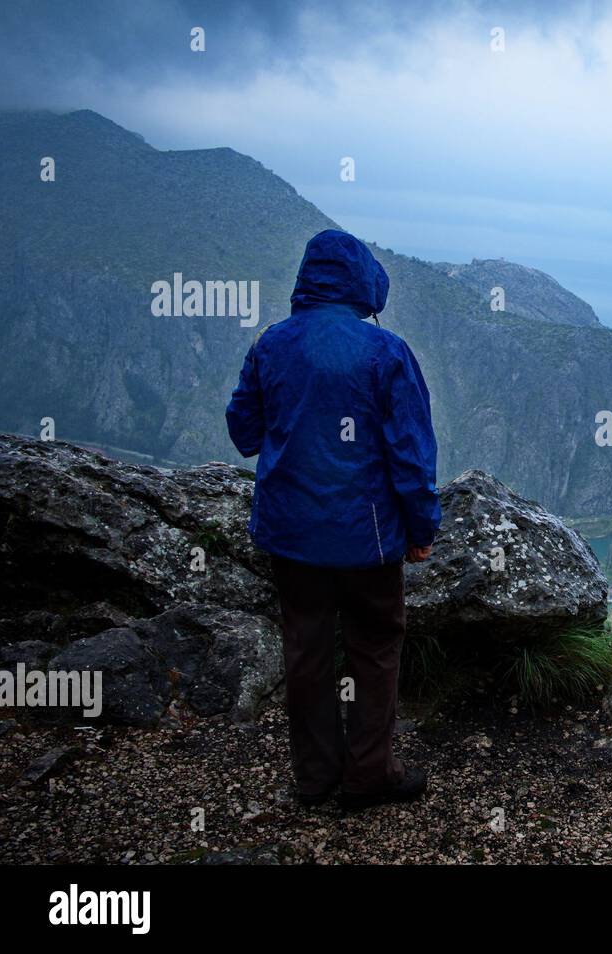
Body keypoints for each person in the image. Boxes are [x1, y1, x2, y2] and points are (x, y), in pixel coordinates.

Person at [225, 229, 440, 811]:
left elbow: (243, 431)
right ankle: (370, 773)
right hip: (367, 541)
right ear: (364, 283)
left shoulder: (273, 344)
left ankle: (315, 779)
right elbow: (412, 455)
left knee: (306, 650)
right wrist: (421, 529)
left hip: (291, 535)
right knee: (374, 649)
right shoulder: (386, 352)